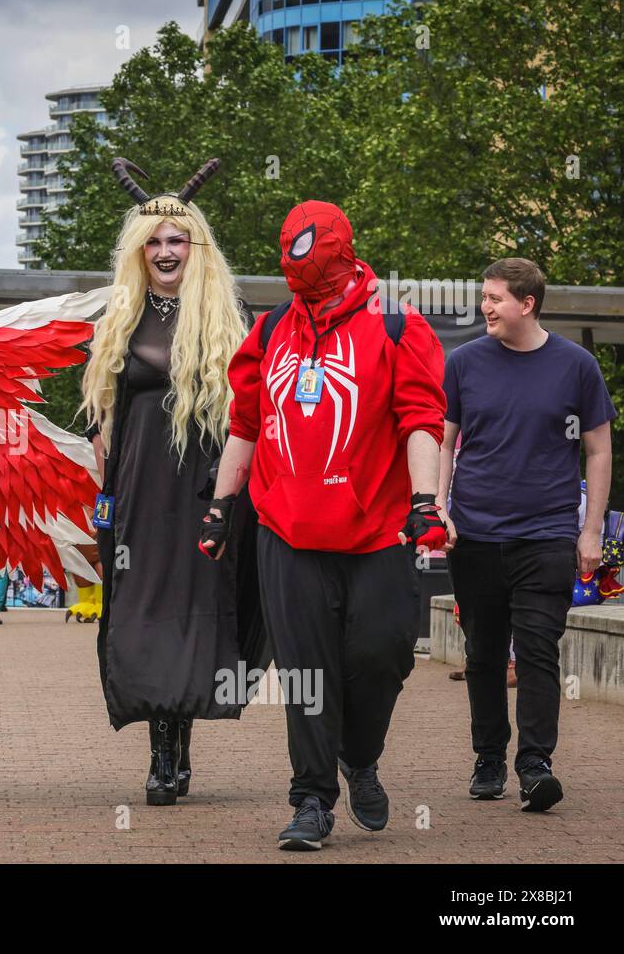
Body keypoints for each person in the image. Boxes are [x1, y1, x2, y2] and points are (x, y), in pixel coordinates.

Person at [203, 200, 446, 850]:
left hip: (377, 532)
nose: (312, 288)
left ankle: (359, 755)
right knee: (306, 668)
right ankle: (311, 798)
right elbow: (245, 426)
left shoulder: (396, 325)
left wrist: (426, 499)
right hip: (288, 532)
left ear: (346, 256)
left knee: (383, 653)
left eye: (322, 274)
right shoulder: (273, 328)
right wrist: (222, 508)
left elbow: (421, 418)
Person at [81, 157, 269, 807]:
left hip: (204, 492)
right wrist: (104, 483)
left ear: (196, 248)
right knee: (140, 616)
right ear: (140, 250)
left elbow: (253, 409)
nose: (165, 250)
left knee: (194, 616)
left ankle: (174, 747)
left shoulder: (228, 316)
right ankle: (162, 744)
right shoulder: (120, 318)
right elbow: (98, 414)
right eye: (154, 240)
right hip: (136, 495)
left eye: (177, 240)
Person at [438, 257, 614, 811]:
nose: (484, 307)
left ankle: (535, 765)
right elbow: (444, 442)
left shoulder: (576, 366)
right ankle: (488, 757)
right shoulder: (463, 363)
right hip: (475, 536)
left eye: (494, 298)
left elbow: (600, 449)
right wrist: (438, 509)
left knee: (538, 652)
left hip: (546, 536)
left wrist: (591, 532)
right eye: (483, 297)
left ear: (527, 303)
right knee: (485, 653)